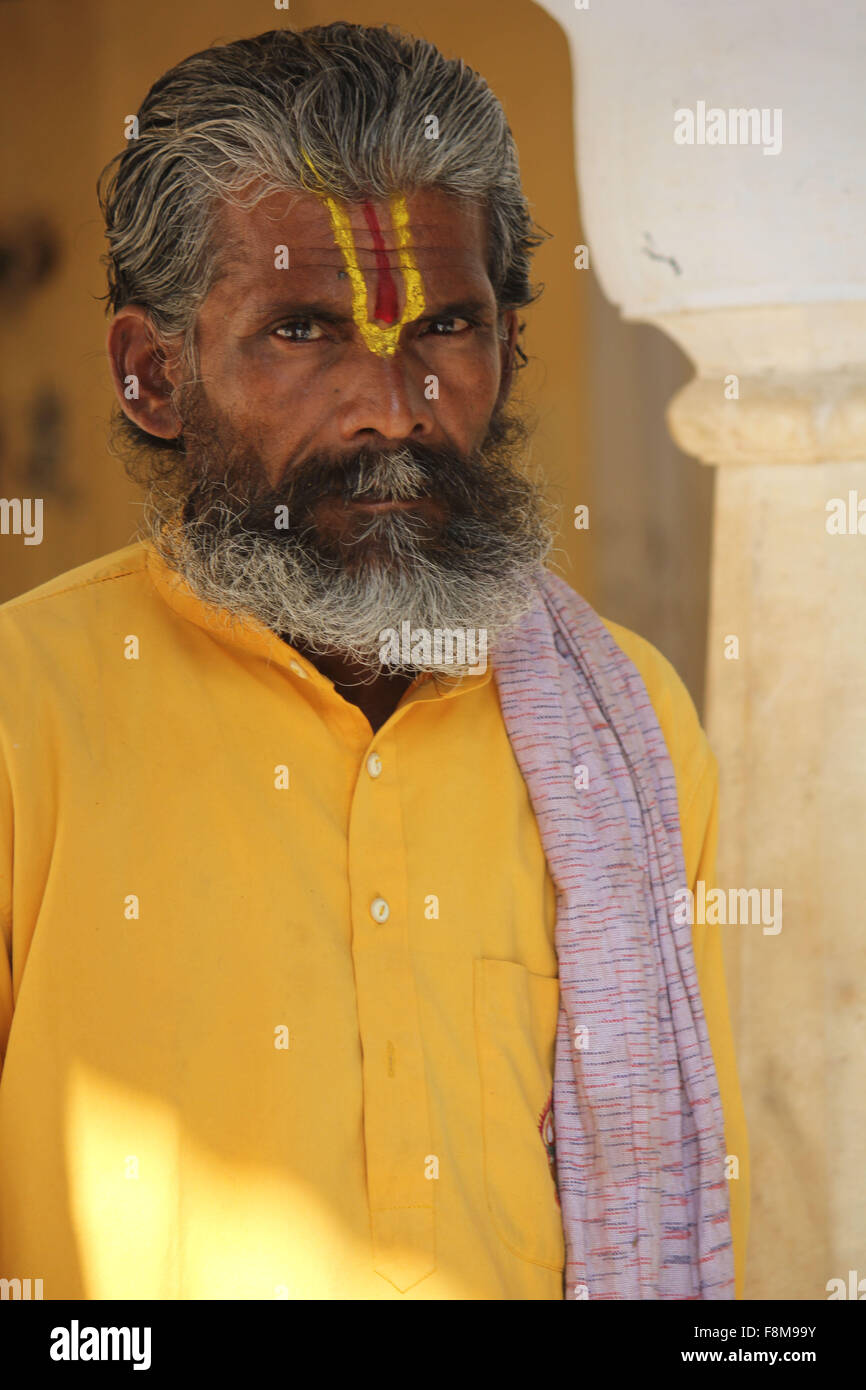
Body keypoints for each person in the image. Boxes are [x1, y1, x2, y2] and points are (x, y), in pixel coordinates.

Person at [0, 22, 748, 1300]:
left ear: (505, 348)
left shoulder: (626, 726)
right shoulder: (25, 712)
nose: (393, 404)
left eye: (445, 325)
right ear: (150, 375)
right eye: (303, 333)